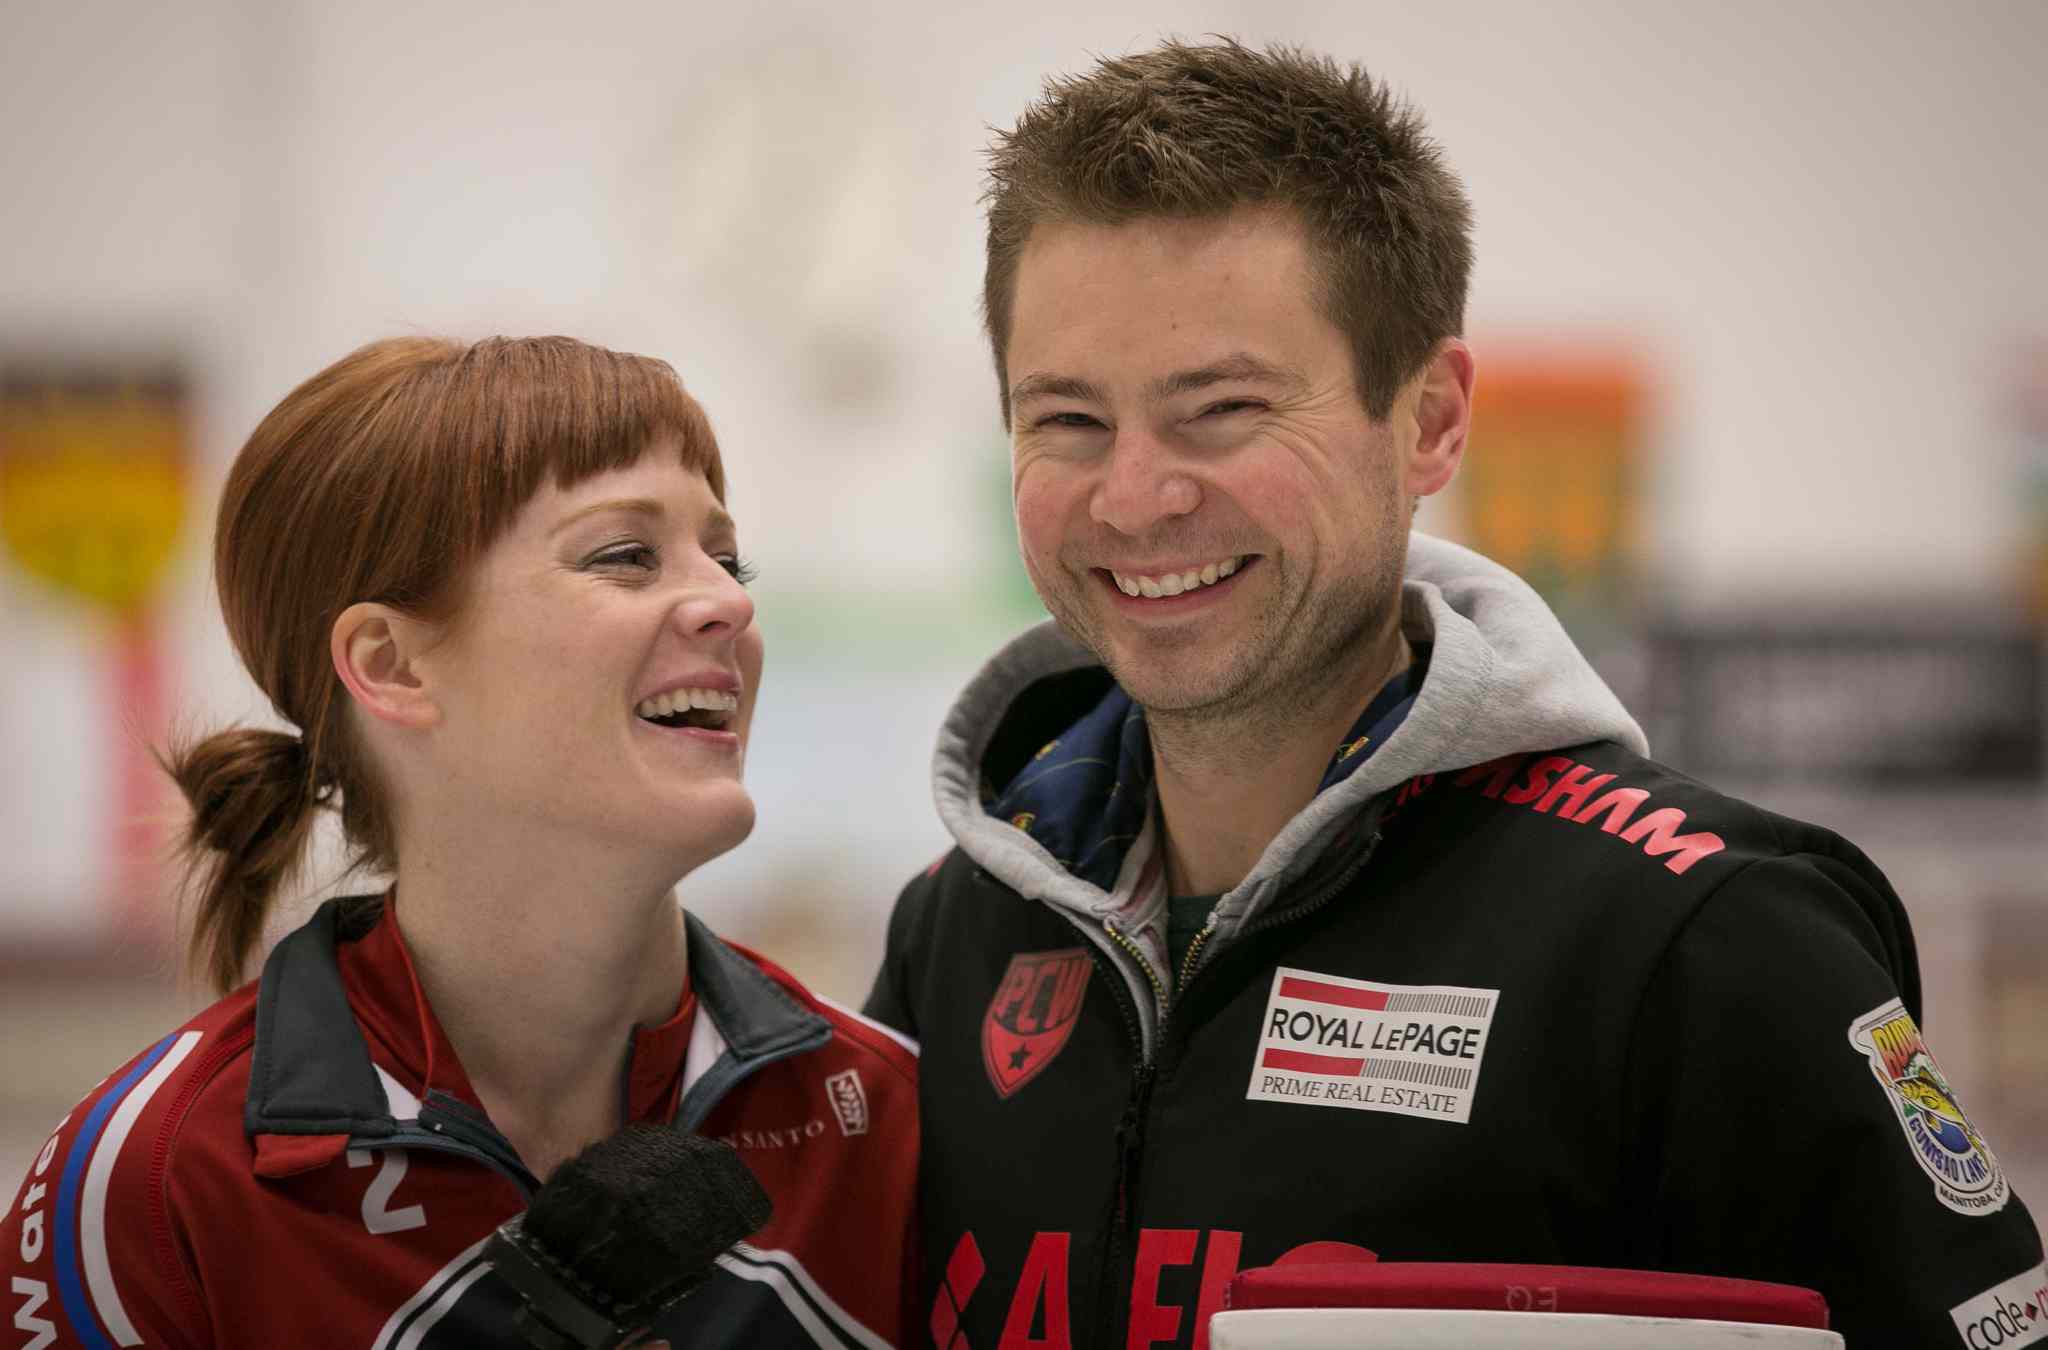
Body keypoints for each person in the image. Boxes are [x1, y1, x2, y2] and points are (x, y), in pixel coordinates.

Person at [862, 39, 2043, 1350]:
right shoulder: (956, 937)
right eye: (1068, 420)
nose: (1135, 496)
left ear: (1428, 419)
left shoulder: (1707, 939)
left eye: (1221, 410)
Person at [1, 336, 916, 1349]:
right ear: (390, 664)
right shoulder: (158, 1181)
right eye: (624, 554)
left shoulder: (886, 1115)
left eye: (726, 556)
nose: (731, 601)